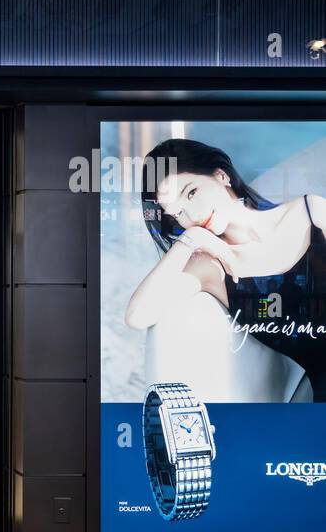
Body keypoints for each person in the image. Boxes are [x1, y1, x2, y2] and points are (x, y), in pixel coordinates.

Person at [125, 138, 326, 403]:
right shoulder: (210, 269)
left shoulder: (310, 213)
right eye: (178, 213)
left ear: (221, 175)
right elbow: (138, 315)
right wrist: (191, 239)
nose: (193, 215)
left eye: (191, 192)